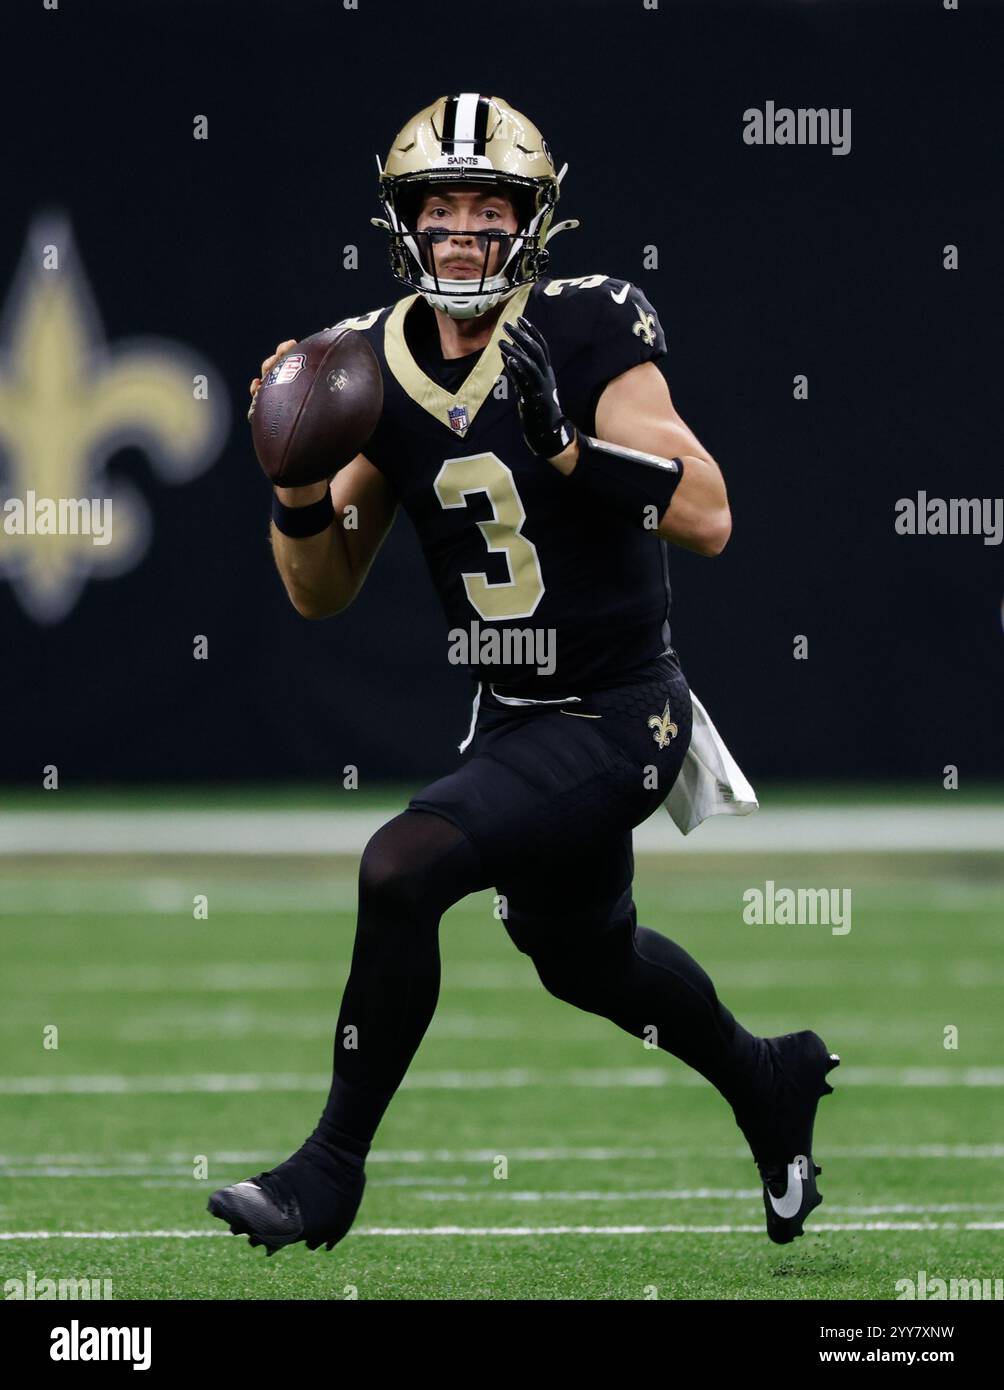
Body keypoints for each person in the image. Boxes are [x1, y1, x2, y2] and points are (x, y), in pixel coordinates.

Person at [209, 93, 838, 1257]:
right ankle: (767, 1078)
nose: (459, 232)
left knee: (401, 866)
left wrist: (570, 450)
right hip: (511, 720)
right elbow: (319, 589)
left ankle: (326, 1171)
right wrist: (293, 485)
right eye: (436, 209)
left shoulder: (588, 325)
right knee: (584, 960)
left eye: (484, 208)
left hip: (622, 712)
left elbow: (707, 515)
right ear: (402, 225)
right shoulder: (368, 362)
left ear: (531, 222)